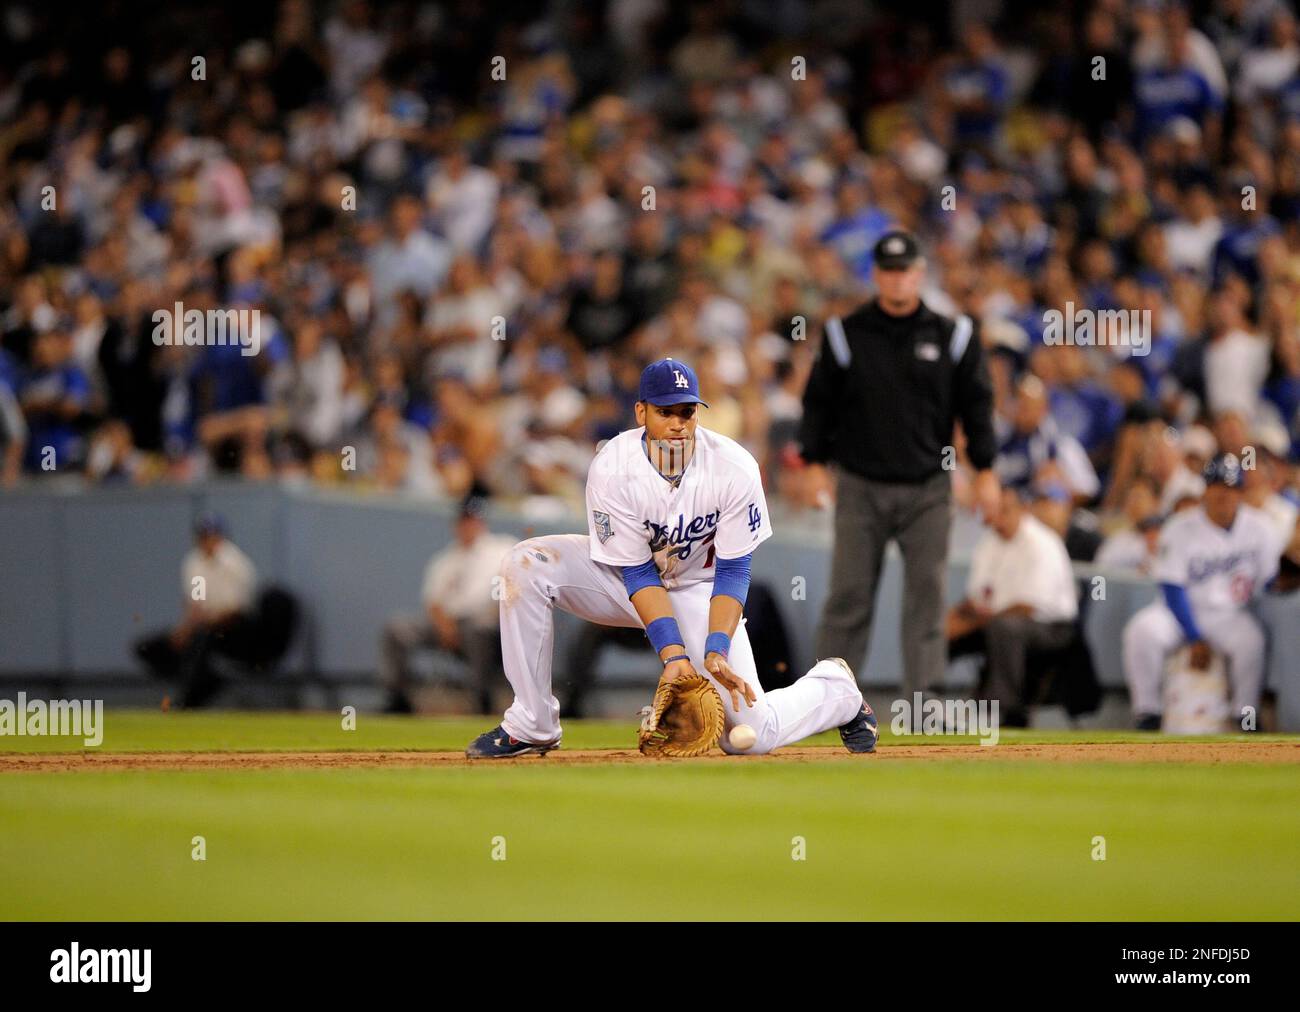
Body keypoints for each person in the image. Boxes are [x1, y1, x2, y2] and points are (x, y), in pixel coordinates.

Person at [466, 358, 876, 758]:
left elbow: (734, 570)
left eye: (687, 411)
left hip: (698, 588)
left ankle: (835, 688)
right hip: (620, 579)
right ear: (641, 412)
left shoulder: (734, 468)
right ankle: (532, 723)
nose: (679, 423)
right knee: (526, 564)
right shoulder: (613, 466)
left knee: (752, 735)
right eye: (666, 412)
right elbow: (638, 571)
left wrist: (715, 649)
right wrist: (674, 656)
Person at [798, 230, 1000, 709]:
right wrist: (811, 464)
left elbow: (978, 406)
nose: (896, 278)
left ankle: (924, 701)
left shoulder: (954, 336)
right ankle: (827, 700)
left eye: (905, 269)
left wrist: (987, 469)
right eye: (888, 270)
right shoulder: (845, 334)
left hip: (928, 486)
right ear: (876, 275)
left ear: (920, 274)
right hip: (859, 483)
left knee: (926, 597)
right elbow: (817, 406)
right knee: (848, 595)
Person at [1122, 452, 1283, 730]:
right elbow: (1172, 587)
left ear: (1241, 492)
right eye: (1217, 487)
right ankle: (1147, 713)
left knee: (1251, 642)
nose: (1224, 495)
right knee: (1142, 630)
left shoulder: (1261, 528)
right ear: (1205, 490)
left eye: (1231, 488)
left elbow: (1270, 583)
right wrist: (1194, 636)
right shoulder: (1179, 527)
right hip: (1179, 610)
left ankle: (1245, 716)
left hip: (1231, 614)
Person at [946, 487, 1080, 726]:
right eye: (996, 511)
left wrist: (977, 621)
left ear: (1023, 509)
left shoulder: (1042, 542)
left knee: (1005, 628)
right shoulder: (989, 541)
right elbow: (976, 597)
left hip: (1052, 628)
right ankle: (925, 704)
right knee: (938, 628)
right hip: (993, 621)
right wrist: (953, 618)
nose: (998, 518)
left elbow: (1027, 607)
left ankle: (1004, 712)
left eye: (1005, 511)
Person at [378, 494, 515, 714]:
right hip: (448, 624)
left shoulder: (502, 549)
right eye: (464, 520)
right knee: (398, 628)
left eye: (473, 519)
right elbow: (433, 601)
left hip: (489, 624)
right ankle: (397, 697)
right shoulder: (445, 559)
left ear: (482, 522)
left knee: (478, 629)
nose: (468, 525)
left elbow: (515, 583)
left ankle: (482, 698)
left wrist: (499, 612)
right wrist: (444, 625)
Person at [134, 513, 258, 707]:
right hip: (207, 626)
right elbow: (197, 602)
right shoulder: (196, 562)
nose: (208, 541)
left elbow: (234, 610)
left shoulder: (234, 564)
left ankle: (189, 698)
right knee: (152, 647)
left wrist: (198, 627)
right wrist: (184, 630)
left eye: (212, 536)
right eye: (204, 536)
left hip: (237, 629)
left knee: (201, 641)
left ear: (221, 537)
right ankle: (204, 681)